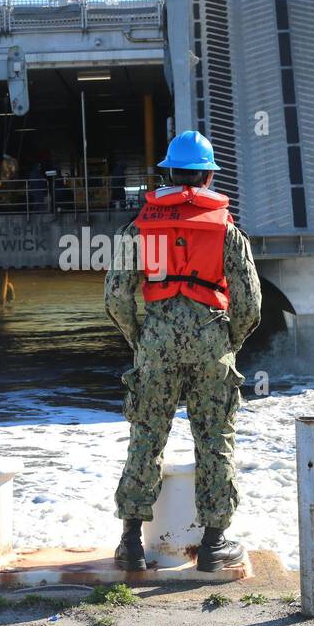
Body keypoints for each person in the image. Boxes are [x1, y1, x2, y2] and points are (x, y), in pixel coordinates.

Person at [104, 131, 262, 572]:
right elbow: (250, 304)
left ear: (168, 173)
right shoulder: (226, 229)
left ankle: (132, 544)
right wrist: (228, 341)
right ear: (210, 175)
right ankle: (213, 545)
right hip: (212, 341)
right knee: (215, 441)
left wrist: (142, 338)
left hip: (155, 344)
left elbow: (116, 297)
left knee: (146, 438)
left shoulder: (141, 227)